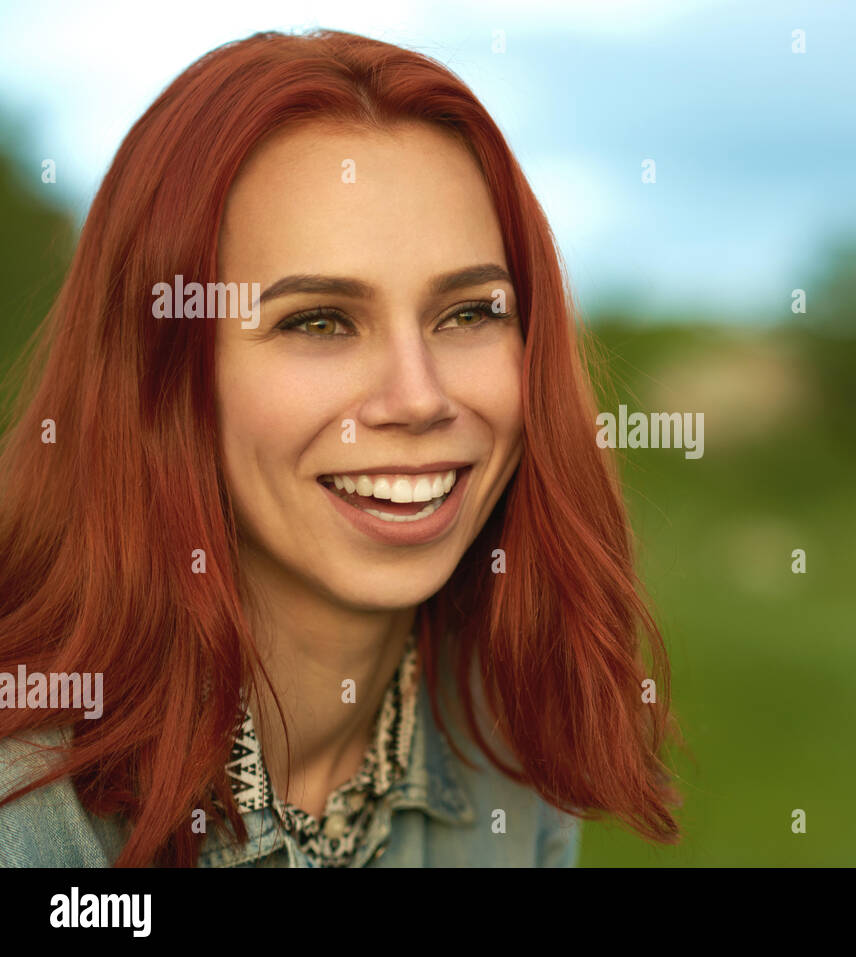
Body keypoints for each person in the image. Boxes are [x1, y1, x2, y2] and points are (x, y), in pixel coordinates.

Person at [0, 29, 681, 867]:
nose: (419, 397)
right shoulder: (23, 816)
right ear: (159, 371)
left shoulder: (513, 743)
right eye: (318, 321)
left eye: (469, 312)